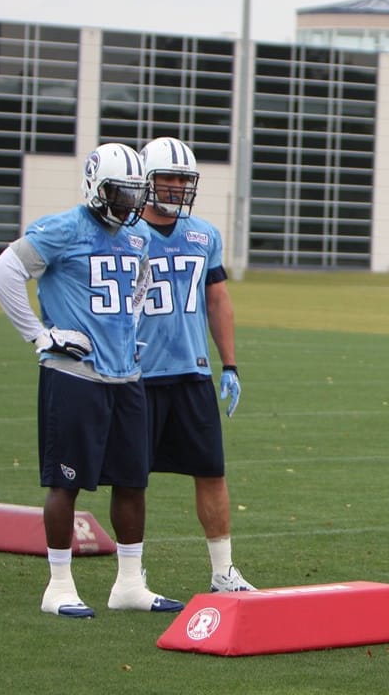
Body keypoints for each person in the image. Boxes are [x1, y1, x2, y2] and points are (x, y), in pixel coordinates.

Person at [0, 143, 184, 618]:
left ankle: (130, 585)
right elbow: (5, 272)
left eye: (136, 192)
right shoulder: (63, 228)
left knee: (133, 482)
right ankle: (58, 586)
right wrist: (39, 334)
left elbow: (138, 284)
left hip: (125, 376)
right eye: (122, 191)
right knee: (65, 483)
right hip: (73, 374)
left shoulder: (136, 236)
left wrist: (131, 330)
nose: (131, 202)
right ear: (97, 187)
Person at [135, 136, 253, 593]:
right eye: (170, 177)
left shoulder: (204, 234)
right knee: (131, 479)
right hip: (138, 373)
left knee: (211, 471)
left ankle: (223, 570)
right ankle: (131, 574)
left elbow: (218, 297)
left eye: (185, 178)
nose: (179, 186)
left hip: (191, 371)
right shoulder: (126, 233)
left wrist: (229, 365)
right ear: (147, 181)